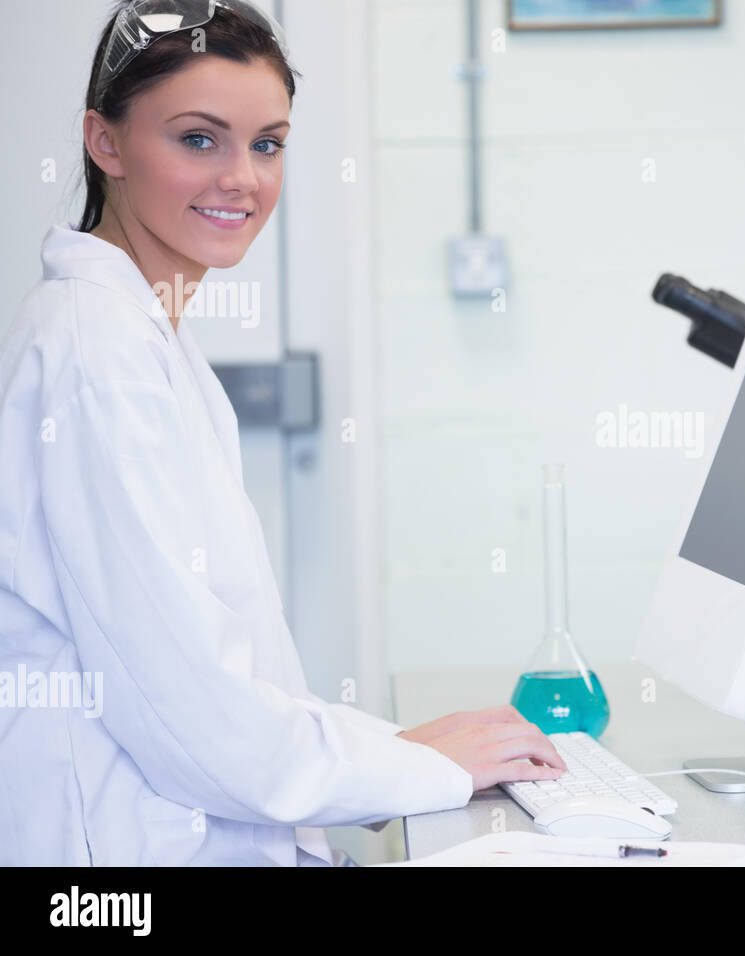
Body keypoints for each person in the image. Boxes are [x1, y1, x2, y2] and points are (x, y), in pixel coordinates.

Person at [0, 0, 565, 866]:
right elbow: (186, 710)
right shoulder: (95, 355)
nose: (243, 178)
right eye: (198, 138)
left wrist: (392, 749)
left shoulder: (143, 334)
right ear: (104, 143)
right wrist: (410, 765)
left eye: (267, 143)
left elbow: (217, 675)